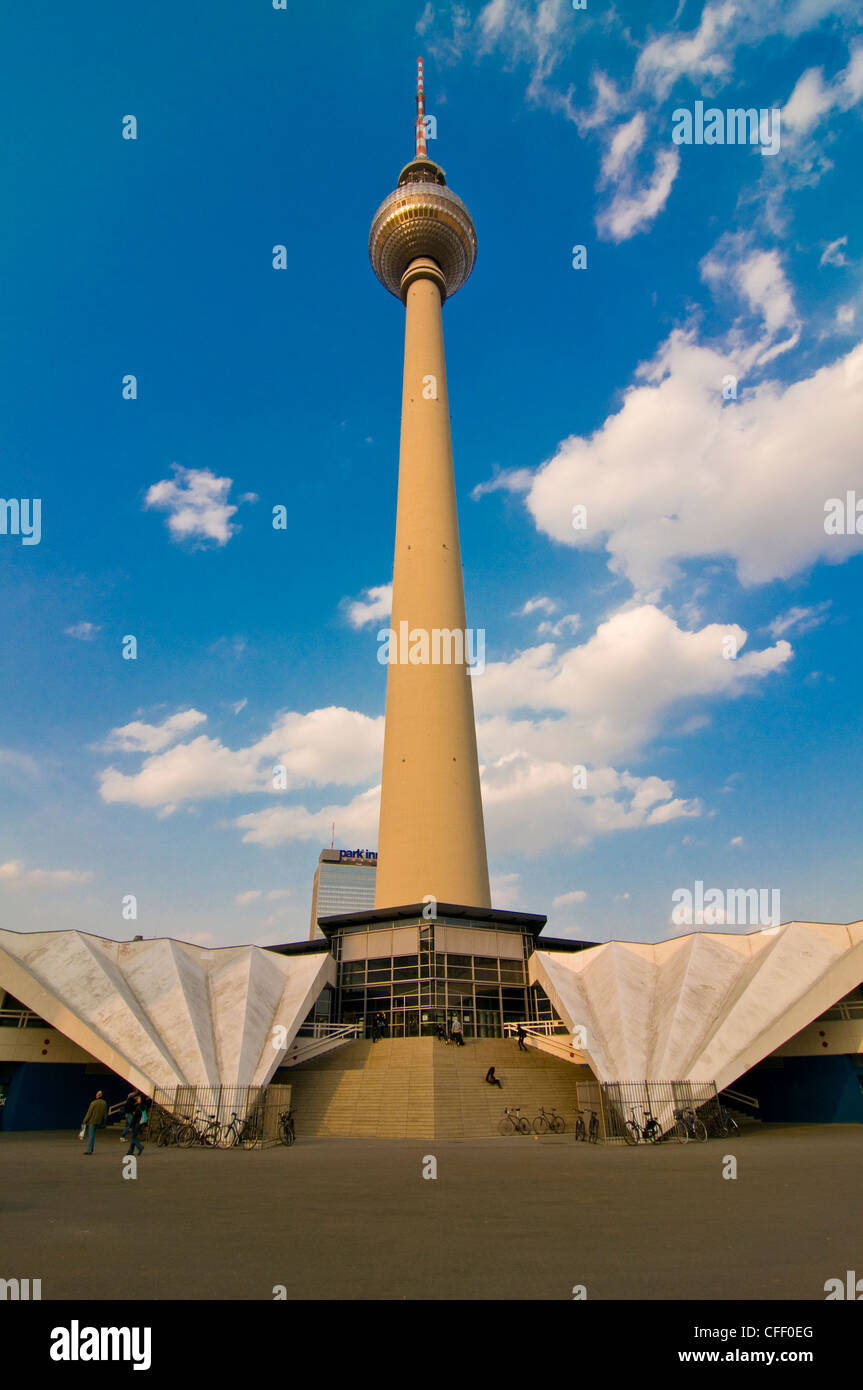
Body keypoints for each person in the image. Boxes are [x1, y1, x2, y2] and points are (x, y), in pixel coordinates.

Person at [81, 1090, 108, 1154]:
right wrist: (104, 1122)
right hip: (99, 1121)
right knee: (92, 1135)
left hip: (92, 1121)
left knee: (91, 1136)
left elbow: (89, 1113)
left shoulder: (93, 1103)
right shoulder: (104, 1103)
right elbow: (105, 1113)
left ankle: (89, 1150)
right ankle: (91, 1149)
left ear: (97, 1095)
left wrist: (84, 1121)